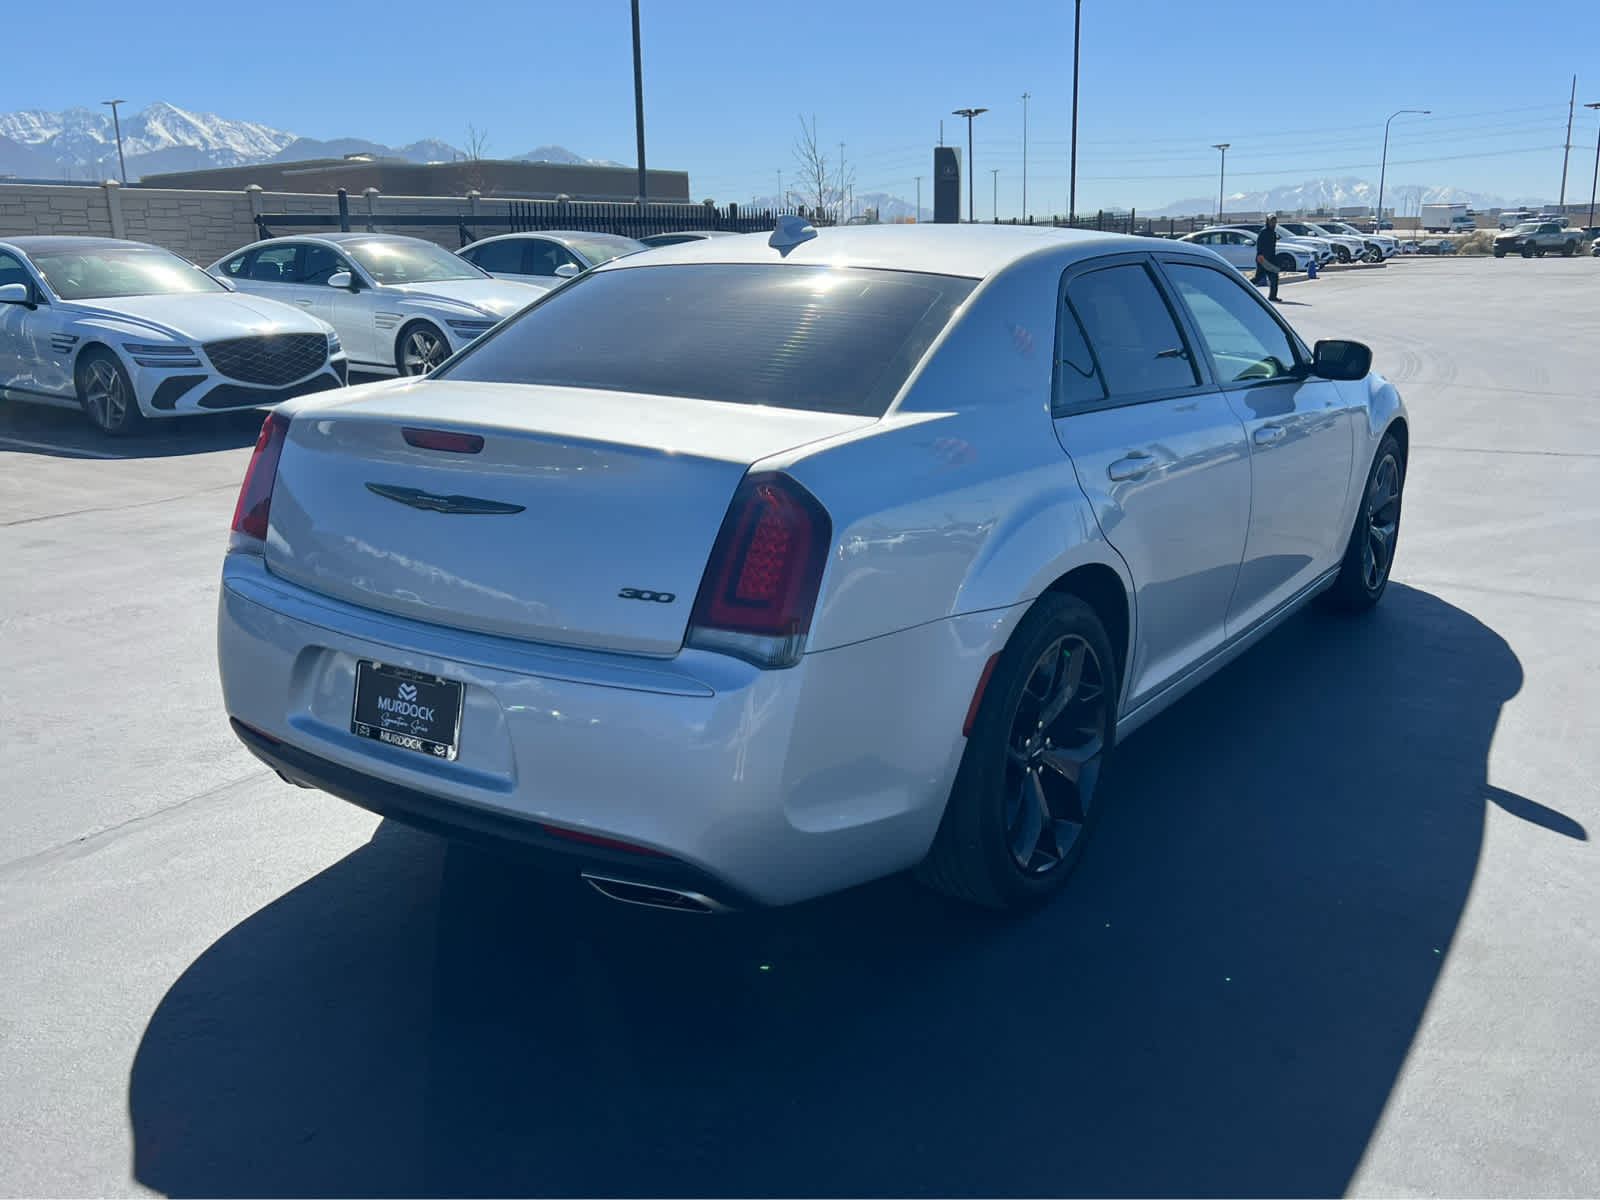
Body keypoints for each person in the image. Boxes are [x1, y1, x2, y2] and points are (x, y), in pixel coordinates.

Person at [1254, 213, 1282, 302]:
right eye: (1271, 221)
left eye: (1275, 221)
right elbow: (1259, 244)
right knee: (1258, 278)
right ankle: (1243, 287)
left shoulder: (1273, 232)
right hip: (1263, 259)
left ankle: (1272, 296)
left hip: (1271, 259)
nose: (1273, 223)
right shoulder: (1264, 231)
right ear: (1268, 221)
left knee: (1274, 278)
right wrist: (1259, 255)